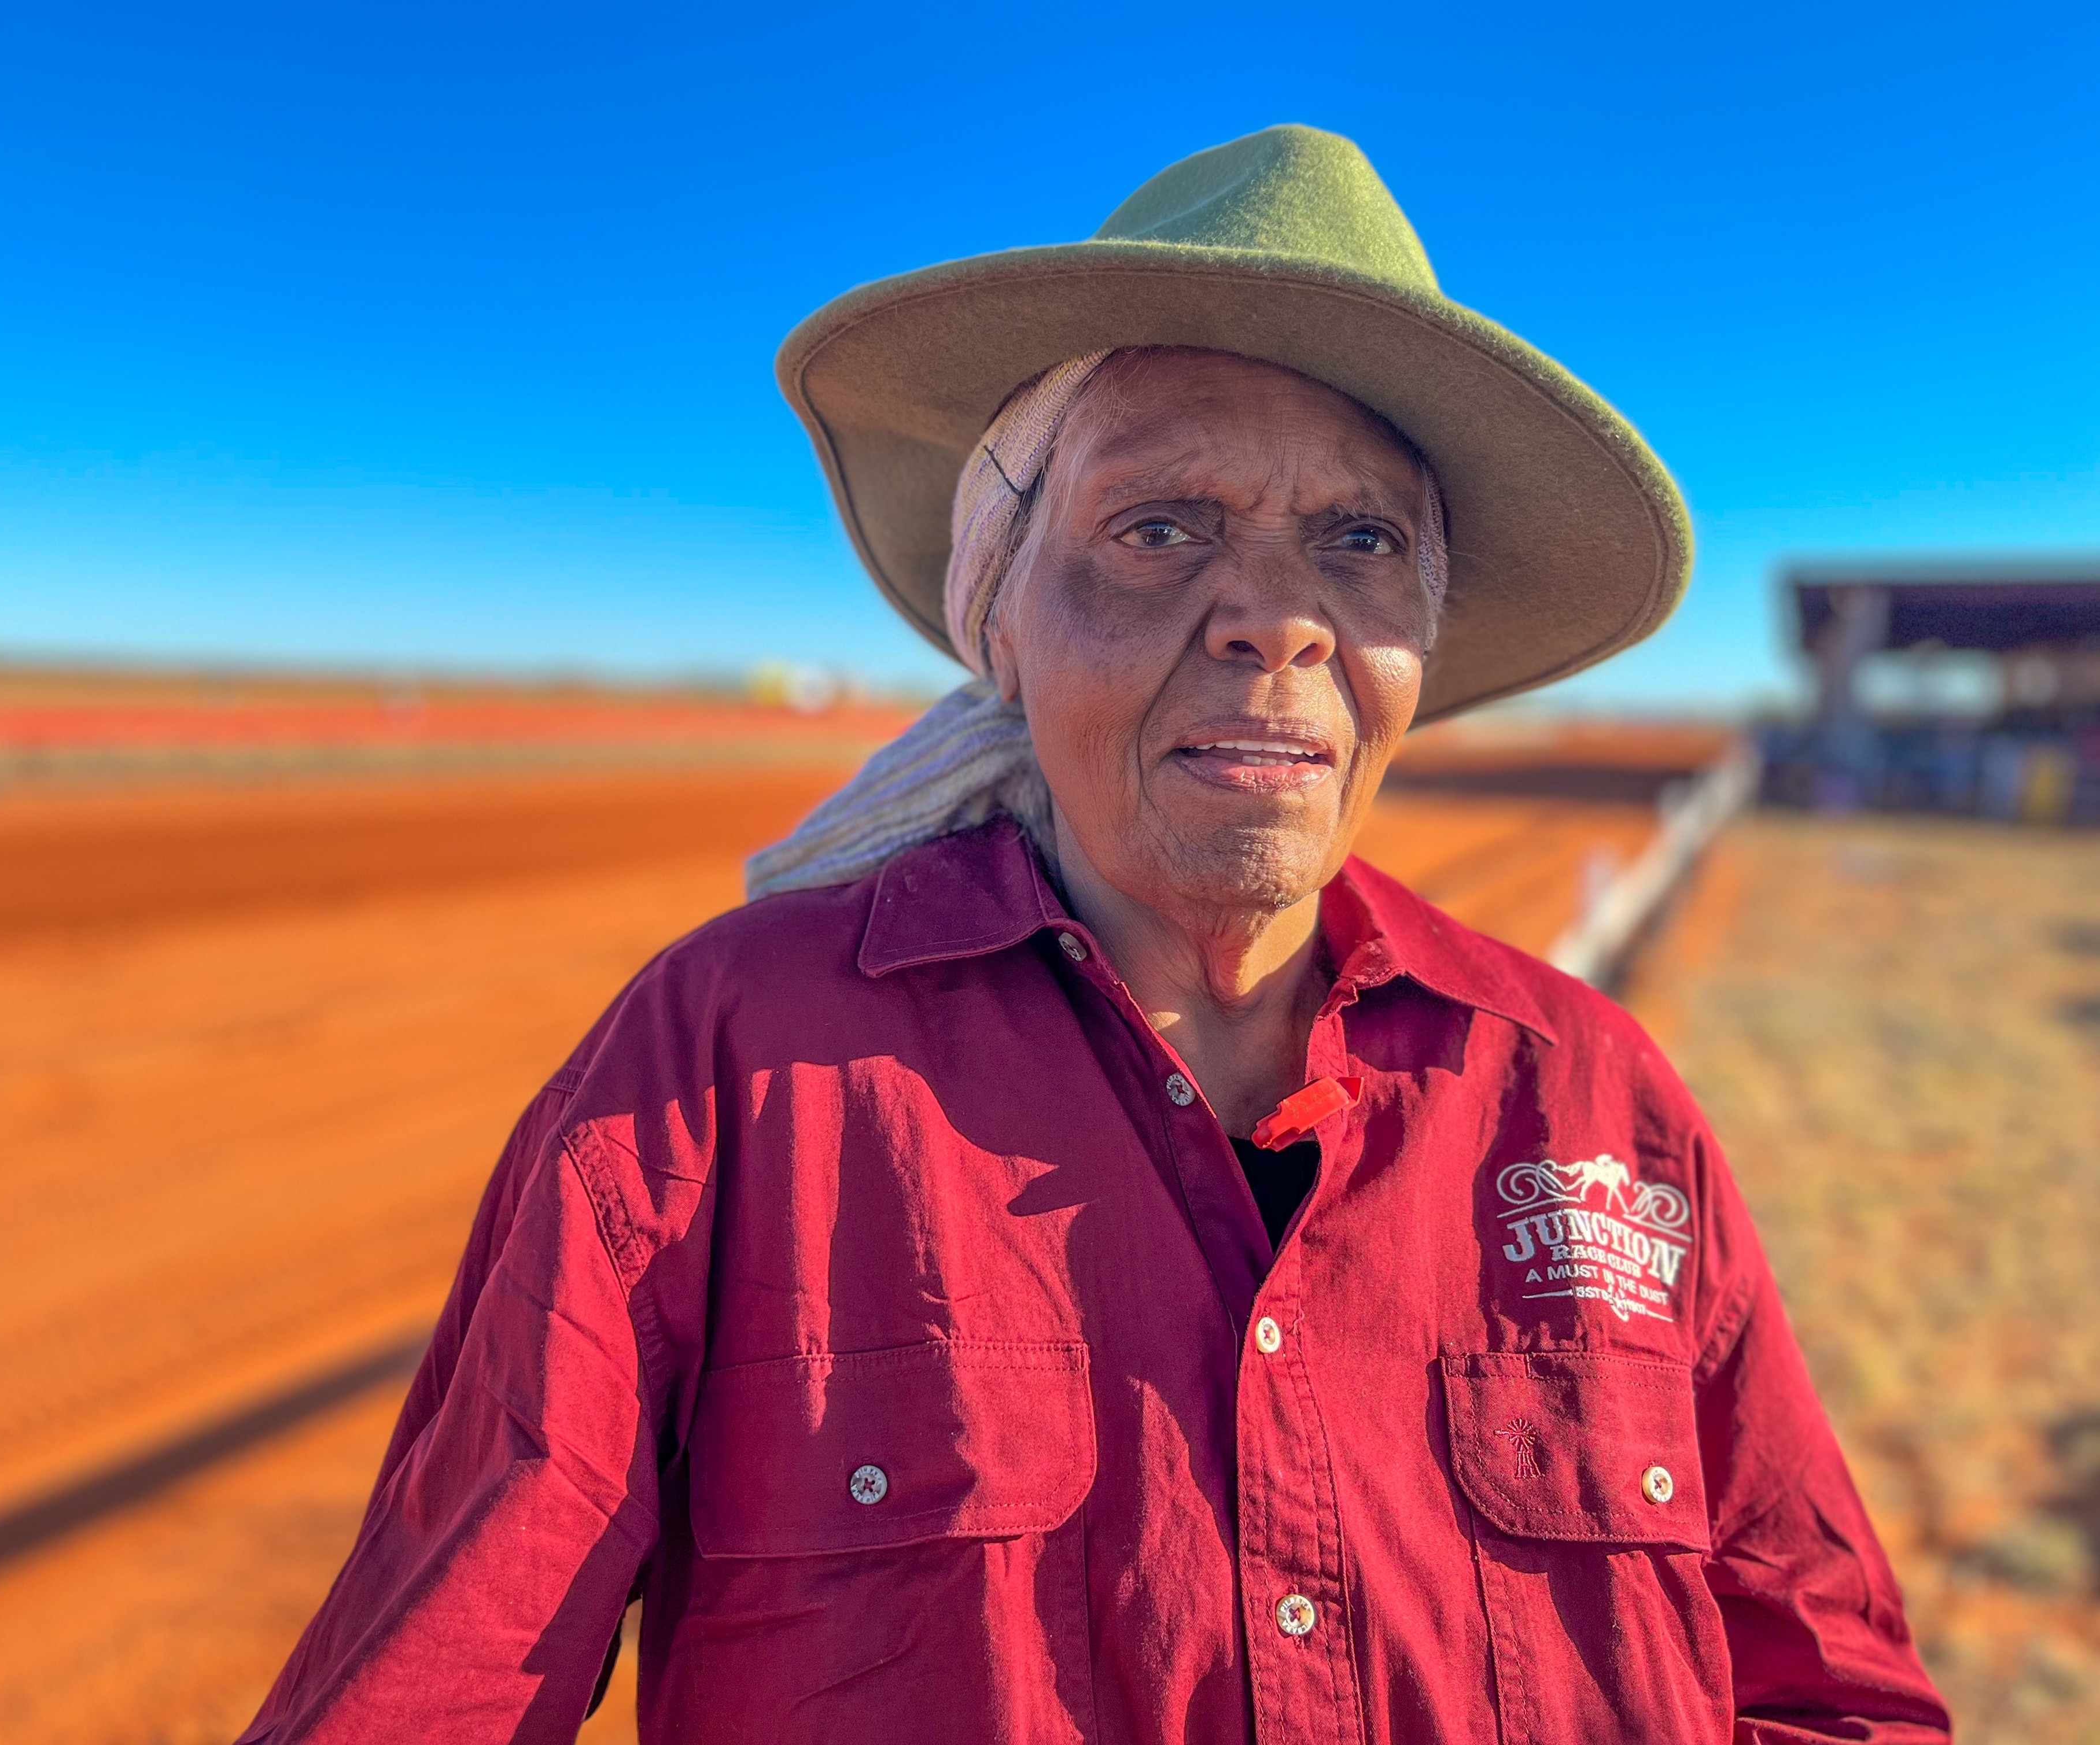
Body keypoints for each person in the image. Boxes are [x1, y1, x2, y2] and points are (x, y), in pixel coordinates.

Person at [239, 126, 1948, 1744]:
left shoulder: (1588, 1097)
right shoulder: (723, 1072)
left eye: (1357, 541)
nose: (1274, 618)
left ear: (1418, 639)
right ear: (1008, 614)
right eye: (1160, 528)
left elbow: (1833, 1685)